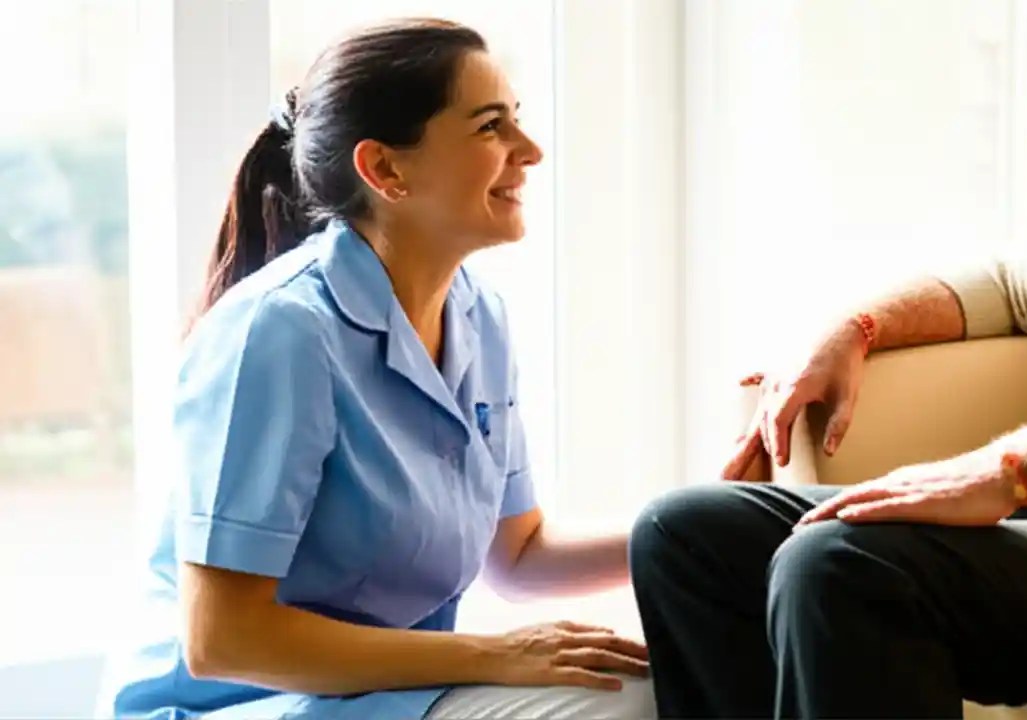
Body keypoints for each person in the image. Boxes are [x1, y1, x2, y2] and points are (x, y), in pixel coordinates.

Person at [629, 0, 1027, 717]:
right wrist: (857, 324)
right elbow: (1018, 286)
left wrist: (1005, 472)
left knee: (841, 567)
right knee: (683, 537)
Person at [97, 18, 653, 720]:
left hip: (376, 697)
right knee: (616, 709)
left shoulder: (479, 317)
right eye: (490, 128)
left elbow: (518, 554)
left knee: (654, 685)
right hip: (236, 707)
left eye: (518, 120)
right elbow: (223, 639)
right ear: (385, 169)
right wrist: (496, 656)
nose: (531, 151)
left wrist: (707, 527)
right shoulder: (280, 331)